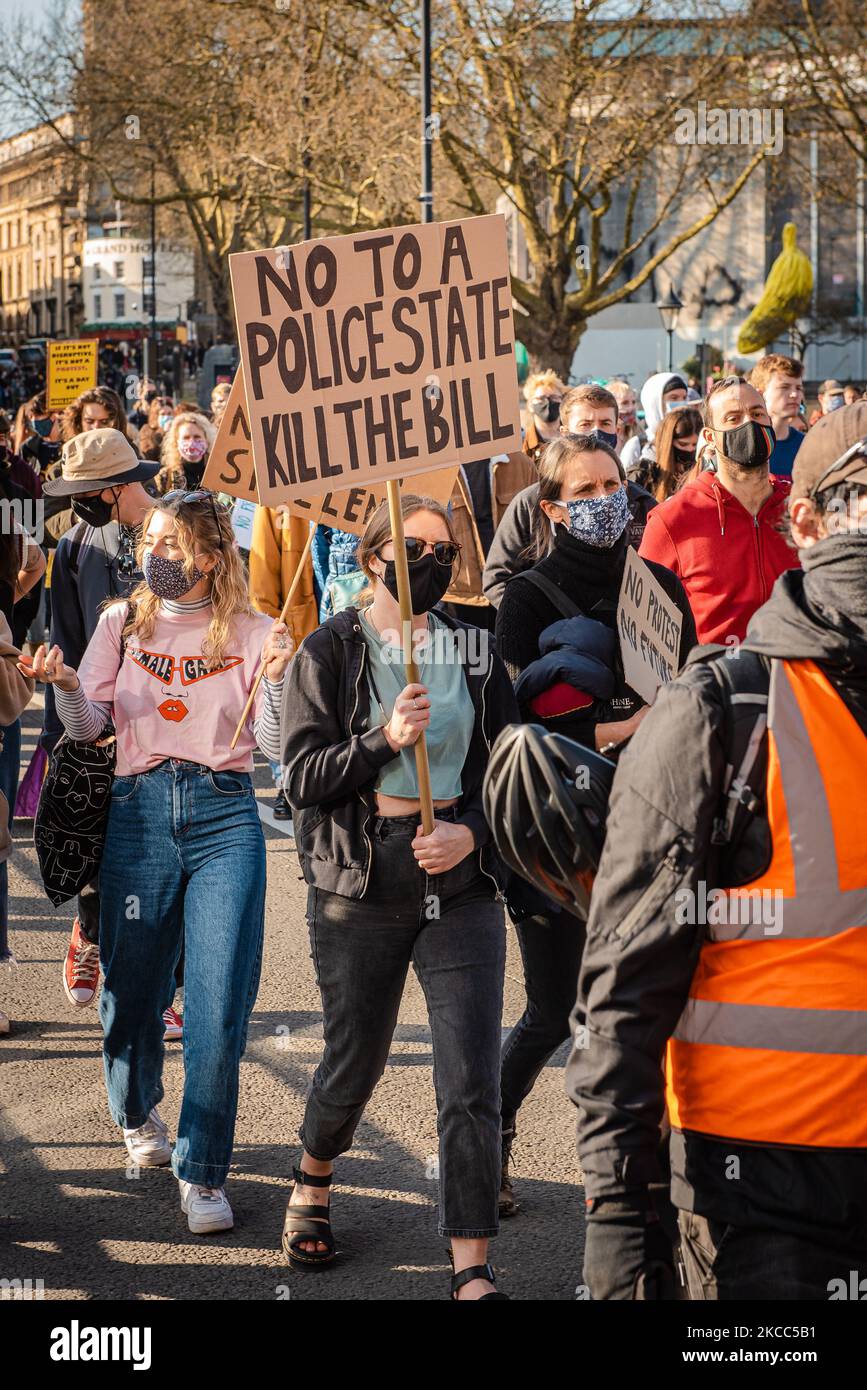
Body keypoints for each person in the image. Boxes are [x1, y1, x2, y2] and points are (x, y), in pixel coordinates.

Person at [568, 401, 867, 1300]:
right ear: (805, 521)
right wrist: (623, 1230)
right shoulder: (721, 715)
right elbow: (620, 995)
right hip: (764, 1200)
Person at [21, 492, 293, 1235]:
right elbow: (89, 728)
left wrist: (273, 676)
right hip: (136, 814)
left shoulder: (255, 630)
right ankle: (136, 1110)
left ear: (210, 558)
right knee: (135, 992)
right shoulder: (121, 623)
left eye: (173, 546)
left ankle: (202, 1172)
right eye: (152, 543)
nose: (156, 557)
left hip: (224, 817)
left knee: (215, 1006)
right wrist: (70, 687)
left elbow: (269, 746)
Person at [280, 494, 519, 1299]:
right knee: (357, 1057)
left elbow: (511, 775)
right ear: (372, 557)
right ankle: (313, 1175)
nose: (432, 562)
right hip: (364, 877)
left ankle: (470, 1265)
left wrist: (472, 835)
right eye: (413, 547)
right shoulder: (328, 649)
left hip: (461, 883)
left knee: (468, 1076)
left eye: (444, 550)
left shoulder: (475, 648)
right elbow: (300, 781)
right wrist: (384, 740)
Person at [493, 434, 696, 1216]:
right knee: (553, 1007)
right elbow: (512, 733)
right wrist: (618, 728)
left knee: (645, 1001)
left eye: (612, 483)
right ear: (551, 509)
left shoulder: (660, 587)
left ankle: (626, 1167)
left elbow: (688, 687)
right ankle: (493, 1139)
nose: (604, 499)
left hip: (649, 823)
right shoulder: (526, 598)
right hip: (557, 832)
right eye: (584, 490)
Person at [41, 429, 165, 1017]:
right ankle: (89, 935)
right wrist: (60, 728)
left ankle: (166, 984)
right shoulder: (75, 544)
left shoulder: (178, 534)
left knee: (170, 859)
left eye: (85, 491)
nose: (77, 501)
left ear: (116, 488)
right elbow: (64, 637)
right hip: (93, 722)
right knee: (93, 847)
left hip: (167, 721)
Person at [639, 376, 800, 646]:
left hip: (797, 675)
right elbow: (645, 623)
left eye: (757, 413)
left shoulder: (800, 508)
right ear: (710, 437)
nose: (749, 423)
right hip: (715, 680)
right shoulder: (672, 520)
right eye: (733, 418)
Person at [482, 385, 657, 608]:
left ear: (617, 429)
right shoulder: (530, 504)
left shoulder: (641, 503)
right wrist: (537, 618)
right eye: (585, 424)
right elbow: (498, 579)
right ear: (564, 432)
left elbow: (656, 578)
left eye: (605, 424)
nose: (595, 433)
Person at [248, 505, 320, 820]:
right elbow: (263, 580)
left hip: (343, 616)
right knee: (288, 704)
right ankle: (286, 781)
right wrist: (267, 627)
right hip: (299, 625)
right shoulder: (281, 499)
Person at [748, 354, 804, 479]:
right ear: (761, 394)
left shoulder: (807, 445)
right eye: (784, 387)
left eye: (799, 388)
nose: (795, 394)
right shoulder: (744, 446)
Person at [620, 372, 688, 475]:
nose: (681, 404)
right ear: (655, 402)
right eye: (674, 398)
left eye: (684, 398)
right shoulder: (638, 445)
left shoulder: (691, 440)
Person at [631, 407, 702, 503]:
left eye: (695, 445)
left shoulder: (704, 466)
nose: (690, 449)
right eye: (683, 444)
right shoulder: (645, 473)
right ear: (668, 443)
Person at [156, 411, 215, 494]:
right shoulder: (165, 477)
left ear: (207, 440)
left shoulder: (217, 475)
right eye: (186, 438)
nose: (191, 443)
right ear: (176, 442)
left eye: (197, 437)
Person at [521, 370, 567, 465]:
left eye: (554, 397)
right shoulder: (522, 444)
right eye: (541, 398)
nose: (548, 401)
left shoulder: (571, 439)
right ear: (530, 405)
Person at [607, 380, 642, 455]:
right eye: (625, 403)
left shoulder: (638, 432)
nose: (631, 408)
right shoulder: (604, 437)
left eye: (633, 402)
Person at [138, 396, 176, 462]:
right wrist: (163, 432)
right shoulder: (147, 430)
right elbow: (148, 455)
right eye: (162, 414)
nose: (167, 417)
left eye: (169, 413)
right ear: (156, 416)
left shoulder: (177, 429)